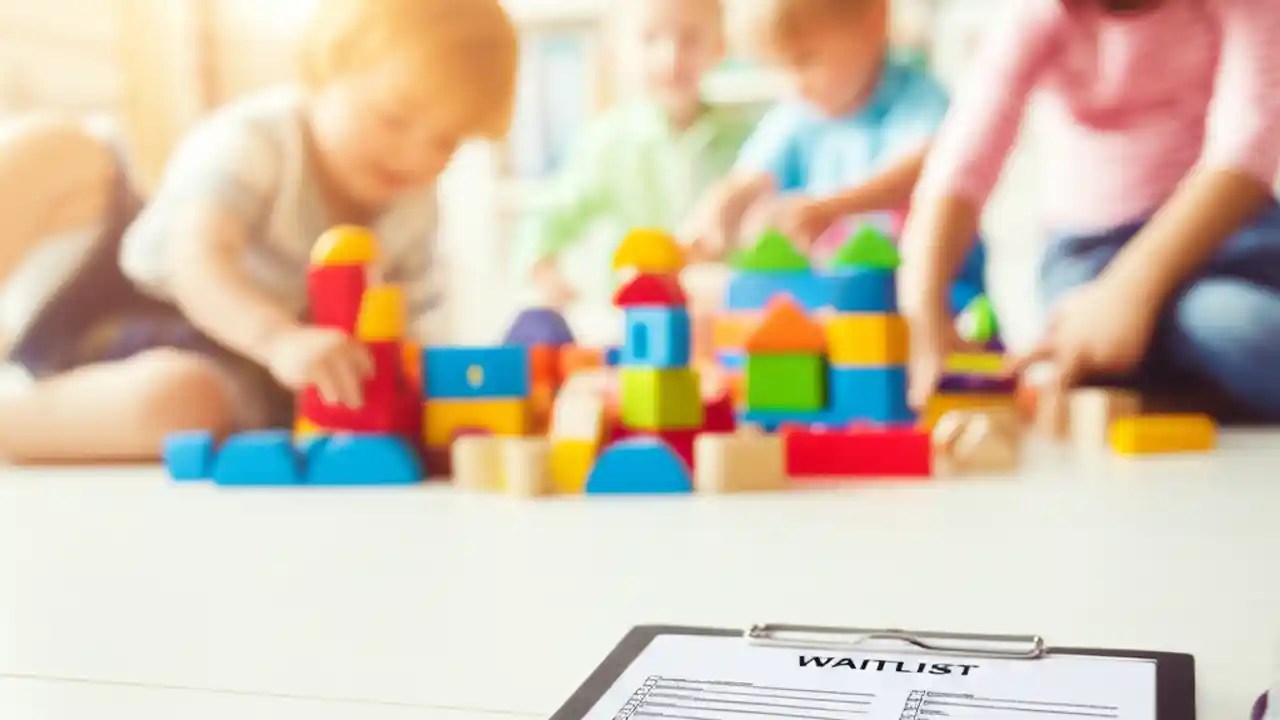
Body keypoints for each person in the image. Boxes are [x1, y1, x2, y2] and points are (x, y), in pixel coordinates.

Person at [0, 0, 518, 462]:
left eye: (447, 140)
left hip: (241, 370)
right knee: (59, 149)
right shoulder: (258, 141)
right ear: (327, 68)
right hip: (130, 303)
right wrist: (275, 338)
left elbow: (410, 331)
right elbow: (195, 257)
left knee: (179, 399)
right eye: (394, 118)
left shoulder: (412, 206)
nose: (417, 155)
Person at [901, 0, 1280, 419]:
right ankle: (1185, 384)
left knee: (1228, 317)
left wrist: (1127, 293)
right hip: (1089, 255)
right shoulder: (1037, 15)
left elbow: (1246, 150)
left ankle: (1169, 381)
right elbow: (960, 164)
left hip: (1227, 241)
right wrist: (924, 310)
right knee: (1204, 322)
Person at [687, 0, 969, 268]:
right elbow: (751, 177)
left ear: (874, 22)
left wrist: (830, 210)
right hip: (833, 294)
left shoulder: (916, 98)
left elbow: (922, 169)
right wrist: (719, 209)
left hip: (919, 282)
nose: (793, 85)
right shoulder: (798, 113)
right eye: (777, 69)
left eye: (804, 61)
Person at [521, 0, 754, 308]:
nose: (671, 57)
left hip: (719, 313)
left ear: (720, 47)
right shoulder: (606, 141)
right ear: (614, 52)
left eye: (690, 39)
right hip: (635, 312)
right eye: (650, 39)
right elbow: (553, 211)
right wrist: (542, 264)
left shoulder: (748, 140)